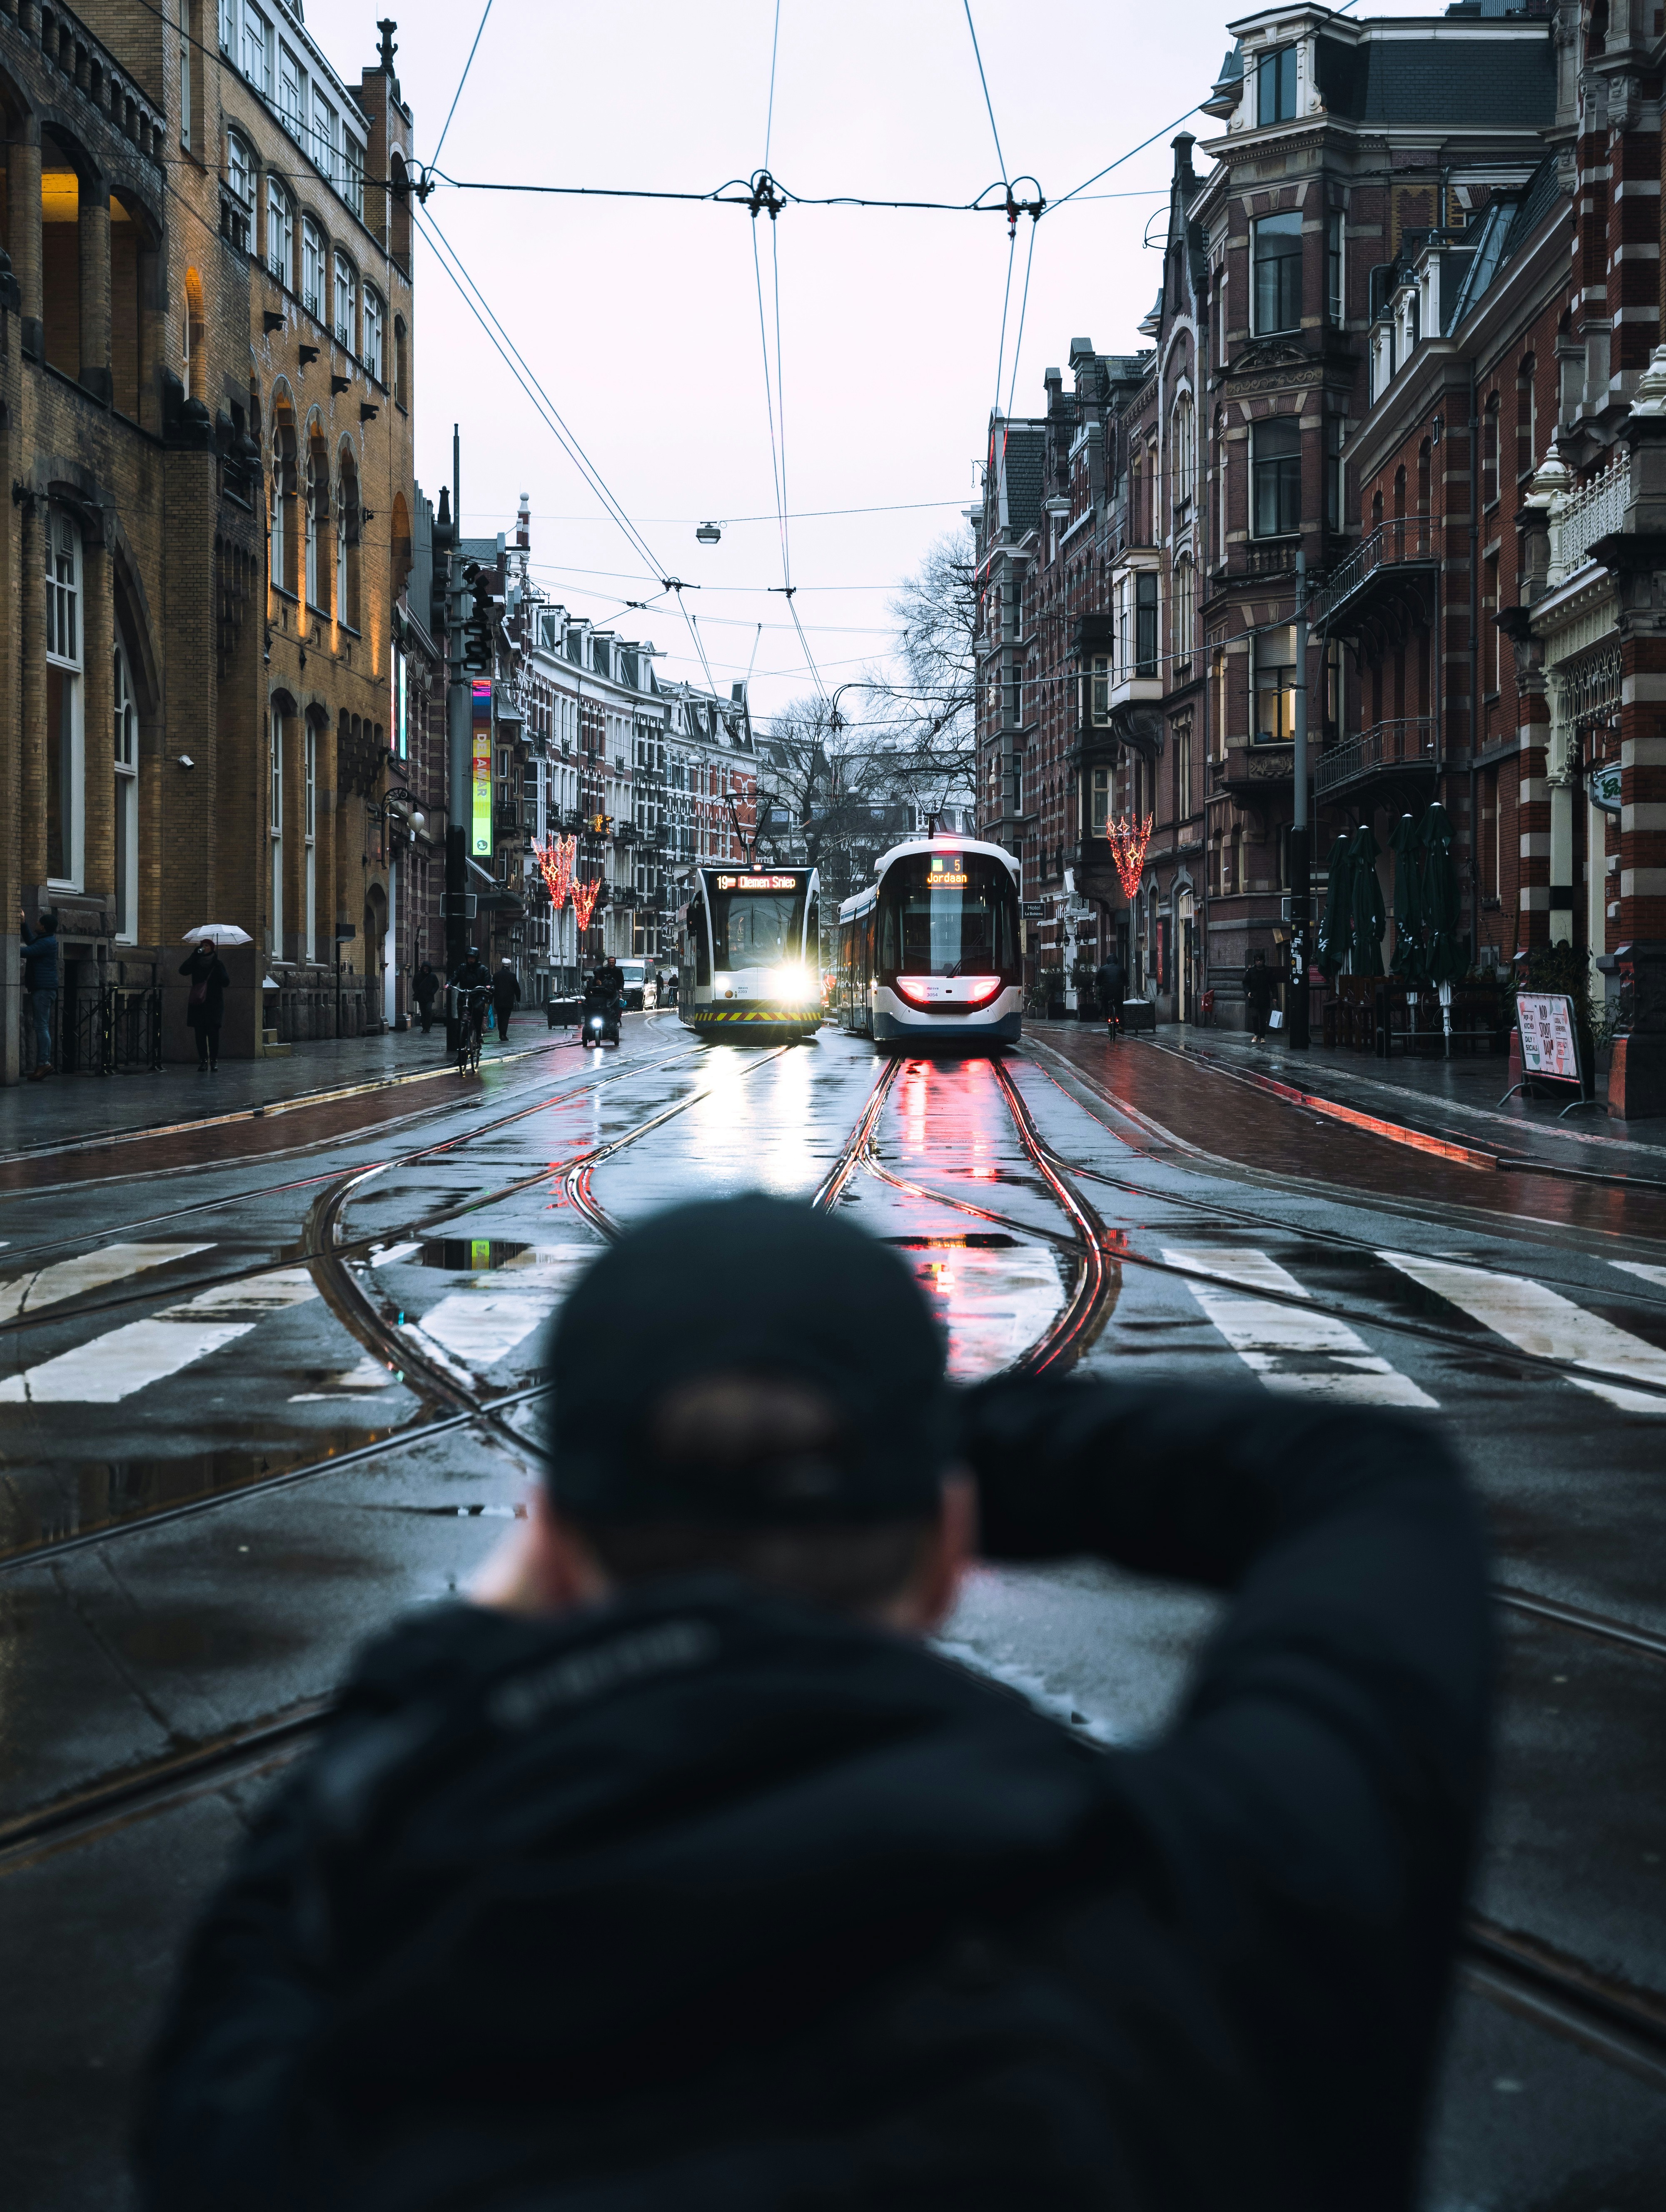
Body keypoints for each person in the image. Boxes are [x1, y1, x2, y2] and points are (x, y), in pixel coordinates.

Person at [137, 1193, 1490, 2212]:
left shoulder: (296, 2108)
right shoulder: (1221, 1924)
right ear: (945, 1541)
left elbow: (270, 1926)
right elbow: (1372, 1483)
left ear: (552, 1546)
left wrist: (460, 1653)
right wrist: (908, 1446)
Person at [180, 942, 231, 1074]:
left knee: (213, 1033)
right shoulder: (195, 962)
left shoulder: (218, 964)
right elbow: (183, 971)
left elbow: (226, 982)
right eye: (203, 945)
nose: (204, 947)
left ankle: (214, 1061)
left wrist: (219, 970)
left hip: (214, 1004)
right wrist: (194, 955)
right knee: (200, 1034)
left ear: (212, 949)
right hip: (199, 1003)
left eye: (207, 946)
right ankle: (203, 1061)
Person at [20, 909, 57, 1081]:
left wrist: (8, 944)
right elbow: (31, 942)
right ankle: (43, 1064)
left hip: (43, 990)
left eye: (38, 922)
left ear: (43, 926)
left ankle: (44, 1063)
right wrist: (23, 924)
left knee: (41, 1026)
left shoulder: (48, 943)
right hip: (42, 989)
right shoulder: (45, 940)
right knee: (41, 1026)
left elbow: (27, 951)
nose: (36, 924)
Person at [454, 947, 491, 1055]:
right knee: (461, 1020)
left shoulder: (483, 970)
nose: (470, 960)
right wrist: (449, 984)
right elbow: (454, 977)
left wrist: (488, 987)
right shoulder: (462, 968)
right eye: (469, 957)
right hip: (465, 995)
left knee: (477, 1010)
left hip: (478, 996)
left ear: (476, 959)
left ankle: (478, 1035)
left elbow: (488, 982)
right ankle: (461, 1050)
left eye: (473, 958)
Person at [1244, 951, 1277, 1046]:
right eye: (1257, 961)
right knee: (1254, 1016)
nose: (1259, 962)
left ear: (1264, 961)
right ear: (1255, 961)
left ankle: (1262, 1037)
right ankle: (1256, 1035)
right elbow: (1245, 983)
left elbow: (1273, 985)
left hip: (1265, 997)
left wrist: (1275, 997)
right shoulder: (1251, 972)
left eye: (1260, 961)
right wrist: (1248, 992)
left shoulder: (1268, 972)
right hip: (1254, 997)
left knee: (1263, 1019)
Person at [1095, 947, 1126, 1039]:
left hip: (1107, 993)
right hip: (1118, 993)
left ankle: (1104, 1016)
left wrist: (1101, 985)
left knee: (1104, 1001)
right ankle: (1121, 1025)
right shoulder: (1121, 969)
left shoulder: (1103, 969)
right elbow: (1126, 981)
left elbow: (1098, 982)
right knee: (1120, 1008)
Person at [490, 958, 521, 1045]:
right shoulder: (512, 976)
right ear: (509, 966)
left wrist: (490, 998)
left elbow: (492, 988)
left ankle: (501, 1033)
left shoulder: (496, 975)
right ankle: (503, 1034)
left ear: (502, 965)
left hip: (498, 1000)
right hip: (508, 1001)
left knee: (500, 1017)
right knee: (506, 1018)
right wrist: (518, 998)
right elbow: (517, 988)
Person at [412, 957, 439, 1034]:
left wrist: (432, 992)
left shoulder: (433, 976)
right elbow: (414, 985)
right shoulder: (418, 976)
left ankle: (428, 1027)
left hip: (429, 997)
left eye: (427, 969)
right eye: (424, 969)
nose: (425, 970)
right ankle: (425, 1028)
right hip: (421, 997)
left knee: (428, 1011)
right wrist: (417, 992)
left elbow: (437, 985)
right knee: (424, 1012)